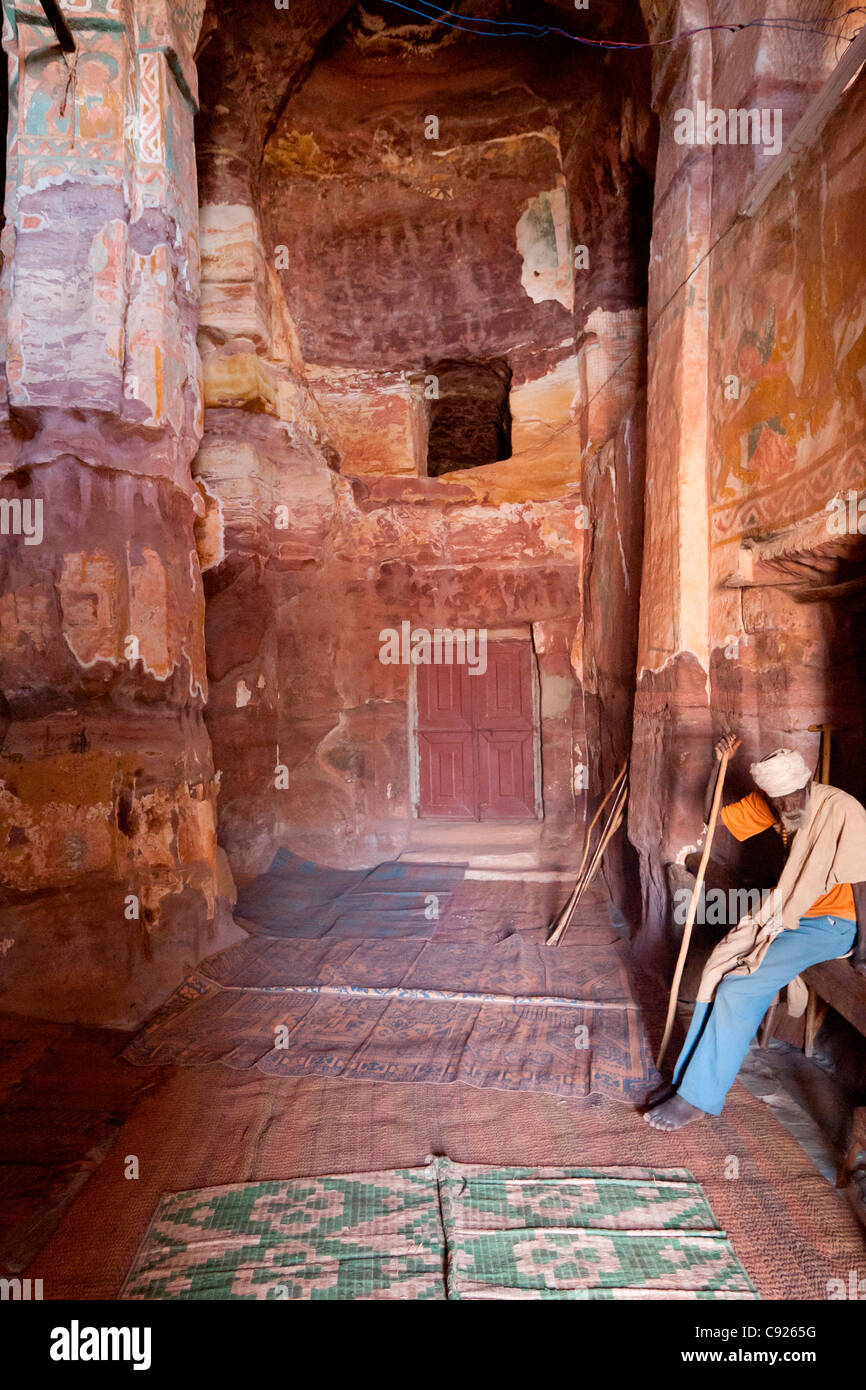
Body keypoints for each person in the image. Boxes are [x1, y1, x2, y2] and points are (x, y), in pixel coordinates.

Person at [646, 735, 866, 1131]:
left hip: (835, 923)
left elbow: (862, 881)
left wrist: (864, 947)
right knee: (717, 970)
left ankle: (698, 1097)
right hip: (788, 911)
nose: (786, 808)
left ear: (808, 782)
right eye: (777, 802)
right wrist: (721, 766)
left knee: (740, 986)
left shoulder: (843, 809)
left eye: (793, 799)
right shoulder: (774, 802)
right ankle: (686, 1080)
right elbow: (717, 818)